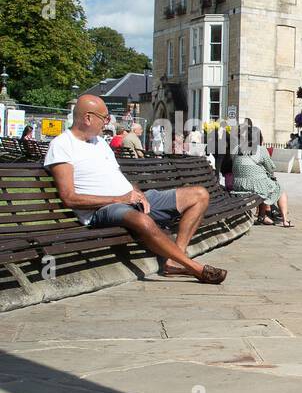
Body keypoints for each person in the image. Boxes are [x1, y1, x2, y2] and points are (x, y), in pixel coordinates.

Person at [44, 95, 226, 284]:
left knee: (199, 195)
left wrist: (137, 193)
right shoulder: (62, 145)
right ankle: (194, 268)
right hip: (103, 209)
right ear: (88, 118)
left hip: (129, 200)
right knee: (142, 220)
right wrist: (119, 199)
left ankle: (174, 260)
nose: (107, 123)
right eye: (104, 118)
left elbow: (119, 177)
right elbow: (70, 198)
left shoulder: (100, 143)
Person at [234, 132, 292, 228]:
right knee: (279, 189)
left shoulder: (237, 149)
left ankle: (262, 217)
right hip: (256, 184)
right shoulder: (261, 149)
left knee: (262, 186)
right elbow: (271, 168)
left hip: (238, 184)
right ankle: (285, 220)